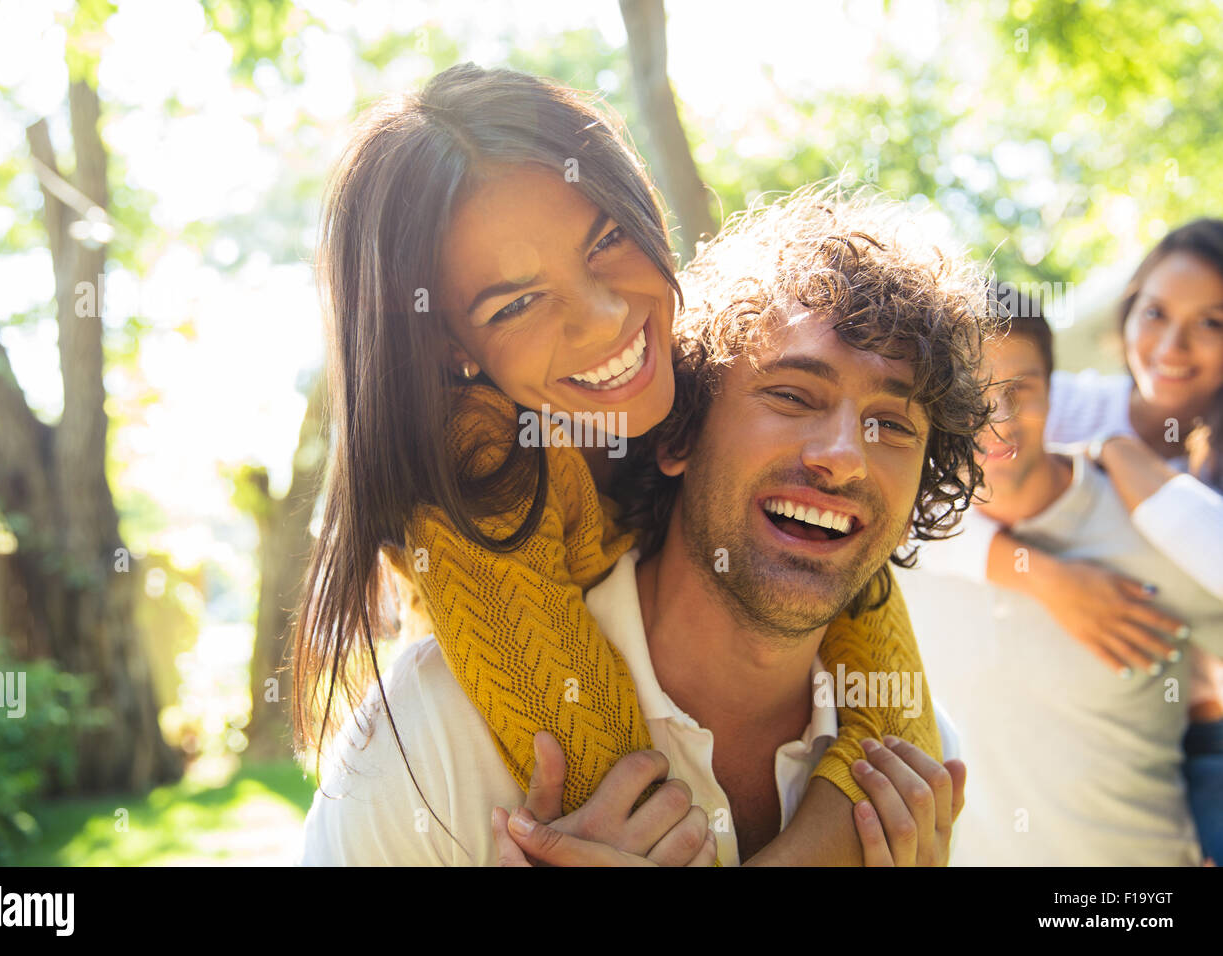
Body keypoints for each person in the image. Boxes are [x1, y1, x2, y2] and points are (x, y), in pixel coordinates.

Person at [291, 63, 948, 862]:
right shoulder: (475, 503)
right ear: (450, 348)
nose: (606, 320)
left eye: (607, 240)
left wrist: (855, 802)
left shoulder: (716, 372)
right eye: (516, 303)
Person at [916, 225, 1223, 863]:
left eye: (1212, 323)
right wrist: (1041, 574)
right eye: (1156, 313)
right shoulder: (1083, 401)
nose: (1172, 346)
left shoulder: (1166, 521)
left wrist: (1142, 477)